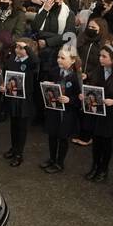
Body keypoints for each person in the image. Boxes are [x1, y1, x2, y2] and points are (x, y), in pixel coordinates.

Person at [82, 45, 113, 183]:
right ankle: (94, 166)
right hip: (96, 112)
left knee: (106, 143)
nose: (100, 58)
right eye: (100, 55)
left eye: (104, 56)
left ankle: (103, 170)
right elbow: (92, 86)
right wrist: (86, 95)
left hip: (110, 114)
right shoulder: (98, 71)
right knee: (96, 142)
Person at [40, 46, 80, 174]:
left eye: (63, 58)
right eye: (58, 57)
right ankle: (52, 159)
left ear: (72, 60)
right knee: (52, 135)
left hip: (67, 113)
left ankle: (60, 162)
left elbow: (80, 97)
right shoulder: (55, 71)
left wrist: (70, 100)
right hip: (54, 109)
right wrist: (48, 86)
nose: (59, 60)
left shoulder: (76, 77)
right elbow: (52, 86)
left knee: (63, 138)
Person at [1, 37, 38, 167]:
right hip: (12, 98)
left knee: (21, 128)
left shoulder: (29, 63)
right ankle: (13, 148)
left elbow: (36, 61)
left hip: (24, 101)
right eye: (17, 47)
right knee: (13, 126)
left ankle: (19, 154)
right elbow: (6, 73)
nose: (18, 49)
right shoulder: (12, 59)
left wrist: (27, 48)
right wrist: (3, 85)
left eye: (21, 48)